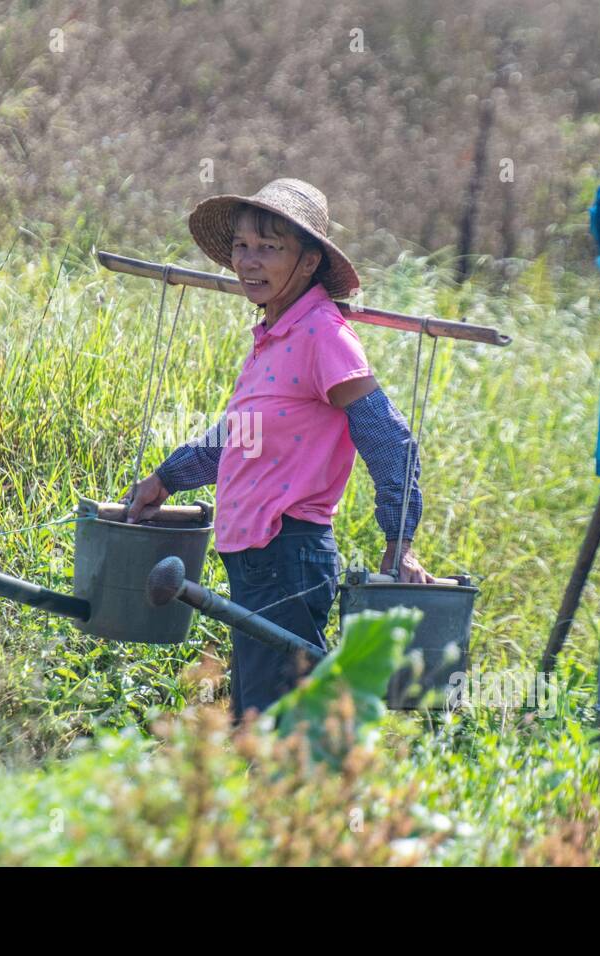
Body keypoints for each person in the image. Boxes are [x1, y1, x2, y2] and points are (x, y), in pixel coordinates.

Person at [124, 178, 431, 722]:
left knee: (277, 730)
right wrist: (166, 479)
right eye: (242, 246)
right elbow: (238, 439)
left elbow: (388, 437)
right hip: (256, 558)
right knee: (258, 722)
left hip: (289, 556)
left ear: (310, 261)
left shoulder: (322, 335)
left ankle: (312, 806)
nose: (250, 262)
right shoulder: (272, 337)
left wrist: (400, 539)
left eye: (270, 248)